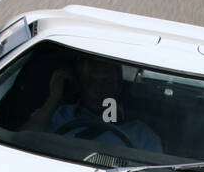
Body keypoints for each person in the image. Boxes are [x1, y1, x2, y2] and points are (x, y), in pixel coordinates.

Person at [24, 55, 162, 152]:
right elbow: (24, 141)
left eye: (106, 82)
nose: (98, 90)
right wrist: (53, 99)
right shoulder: (56, 115)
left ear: (119, 86)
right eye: (91, 82)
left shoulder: (141, 134)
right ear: (80, 85)